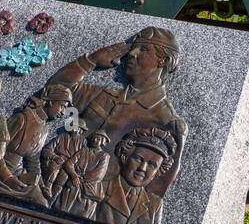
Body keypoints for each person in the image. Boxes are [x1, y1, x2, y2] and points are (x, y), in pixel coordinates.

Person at [46, 26, 187, 197]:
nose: (132, 53)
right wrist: (91, 61)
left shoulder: (166, 120)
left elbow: (155, 190)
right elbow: (55, 92)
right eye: (133, 47)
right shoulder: (104, 94)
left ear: (162, 60)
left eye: (143, 49)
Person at [0, 83, 72, 199]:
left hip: (18, 173)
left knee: (40, 200)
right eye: (62, 106)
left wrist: (41, 185)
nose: (63, 112)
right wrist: (8, 178)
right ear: (50, 102)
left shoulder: (44, 128)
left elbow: (33, 160)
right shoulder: (22, 119)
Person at [97, 127, 177, 224]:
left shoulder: (155, 205)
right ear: (125, 157)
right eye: (138, 159)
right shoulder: (99, 189)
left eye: (151, 165)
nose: (142, 168)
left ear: (157, 172)